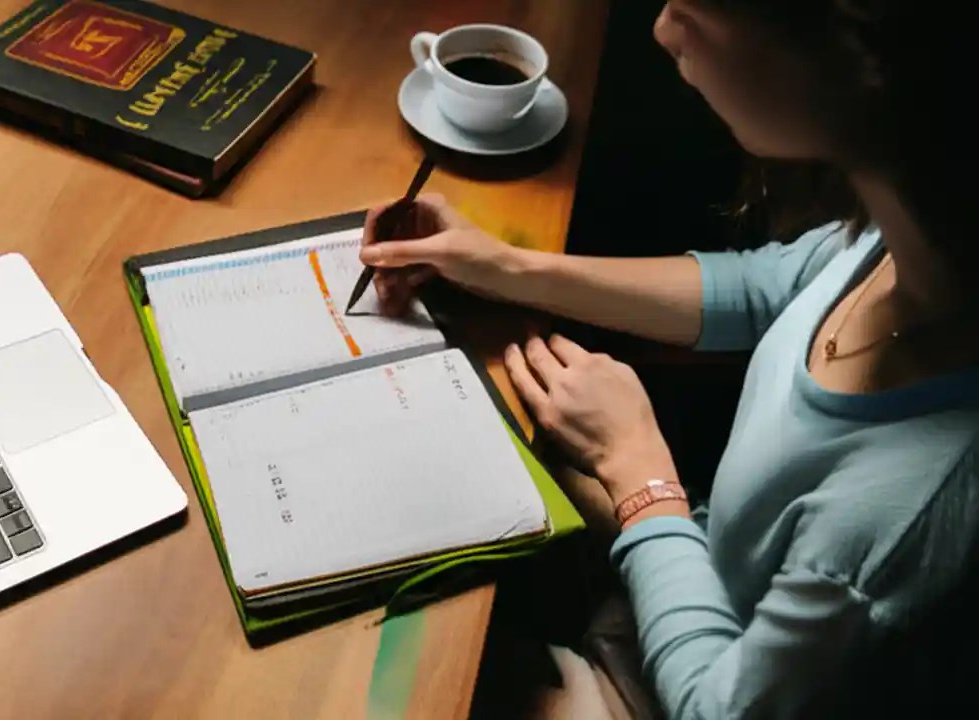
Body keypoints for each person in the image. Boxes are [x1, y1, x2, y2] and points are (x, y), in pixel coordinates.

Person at [360, 1, 975, 716]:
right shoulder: (918, 236)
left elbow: (715, 708)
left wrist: (639, 472)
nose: (661, 28)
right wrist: (504, 266)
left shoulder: (904, 519)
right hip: (681, 576)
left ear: (855, 56)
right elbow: (762, 289)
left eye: (693, 8)